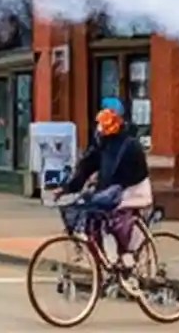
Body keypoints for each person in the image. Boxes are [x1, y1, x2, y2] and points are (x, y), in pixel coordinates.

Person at [53, 98, 152, 275]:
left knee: (117, 219)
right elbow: (87, 166)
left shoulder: (130, 146)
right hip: (109, 193)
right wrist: (67, 188)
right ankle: (102, 264)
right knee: (89, 219)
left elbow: (133, 176)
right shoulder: (103, 144)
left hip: (131, 193)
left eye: (105, 124)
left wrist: (111, 191)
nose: (100, 129)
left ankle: (126, 257)